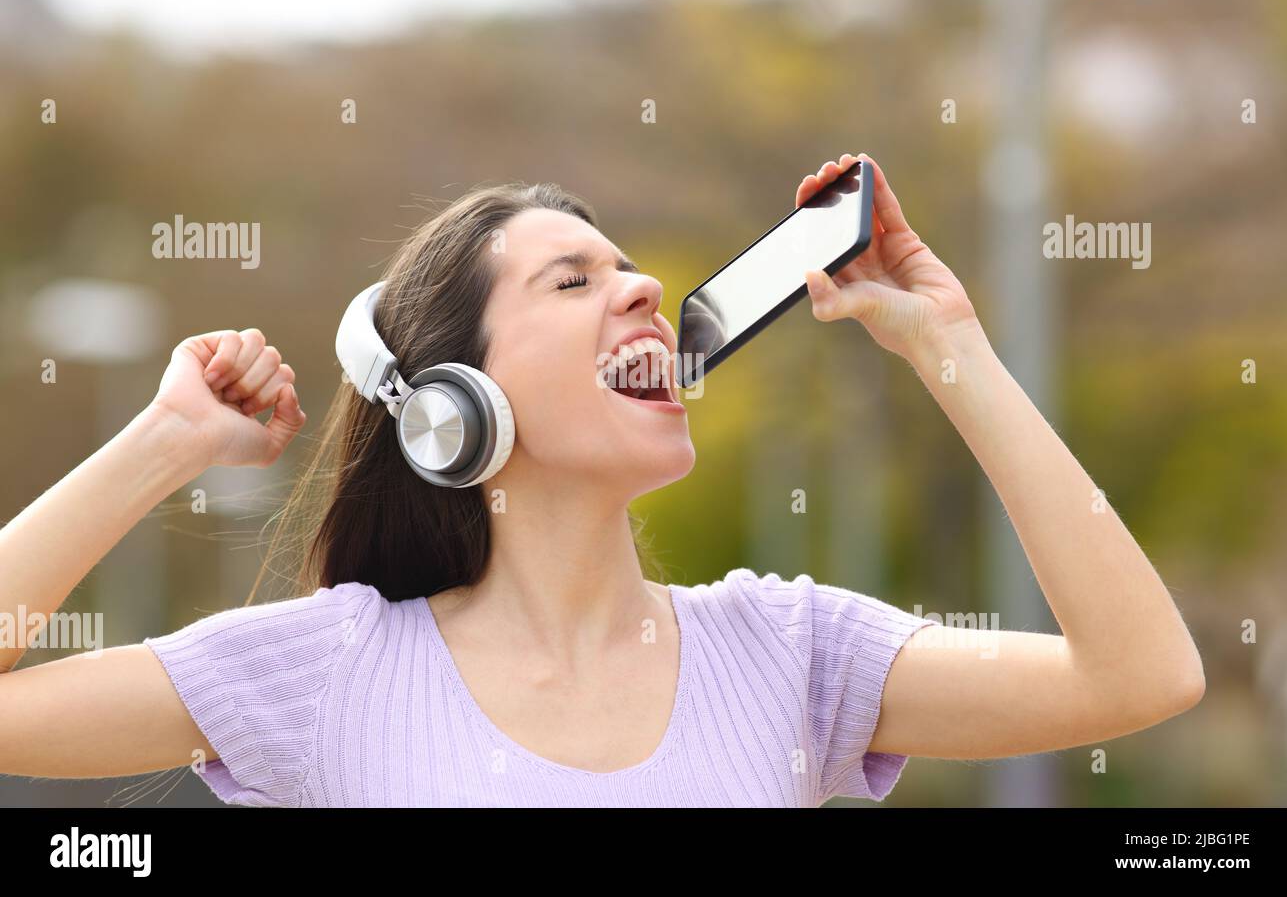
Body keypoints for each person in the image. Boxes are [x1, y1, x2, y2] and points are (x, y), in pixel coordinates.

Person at [0, 153, 1204, 807]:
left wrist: (949, 347)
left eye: (630, 271)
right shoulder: (325, 667)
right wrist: (162, 441)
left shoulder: (788, 652)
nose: (637, 290)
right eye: (570, 283)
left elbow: (1140, 672)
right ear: (446, 412)